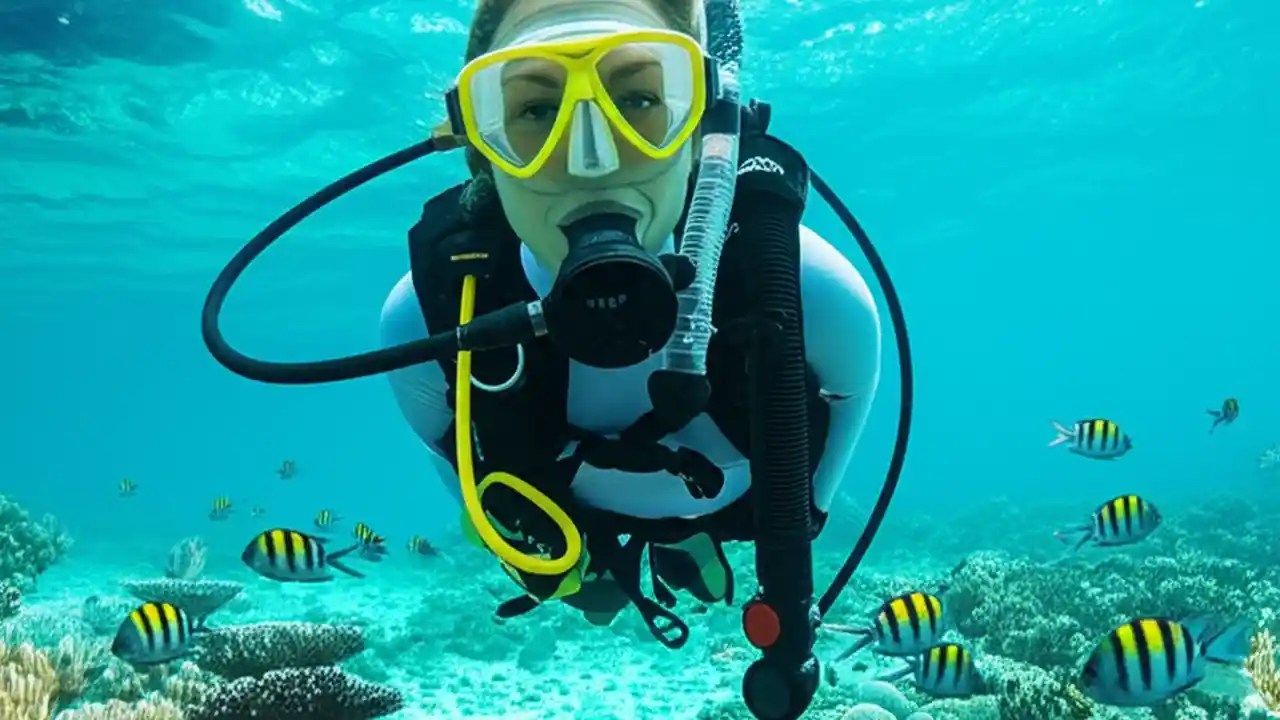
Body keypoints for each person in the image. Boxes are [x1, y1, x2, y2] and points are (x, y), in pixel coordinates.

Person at [377, 0, 883, 639]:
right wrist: (547, 567)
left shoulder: (811, 290)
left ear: (703, 121)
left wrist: (799, 515)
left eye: (640, 99)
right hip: (573, 523)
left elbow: (844, 409)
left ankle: (680, 548)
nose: (592, 160)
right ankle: (604, 572)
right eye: (535, 109)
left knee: (648, 567)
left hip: (730, 507)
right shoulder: (430, 315)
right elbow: (456, 460)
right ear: (480, 142)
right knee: (586, 593)